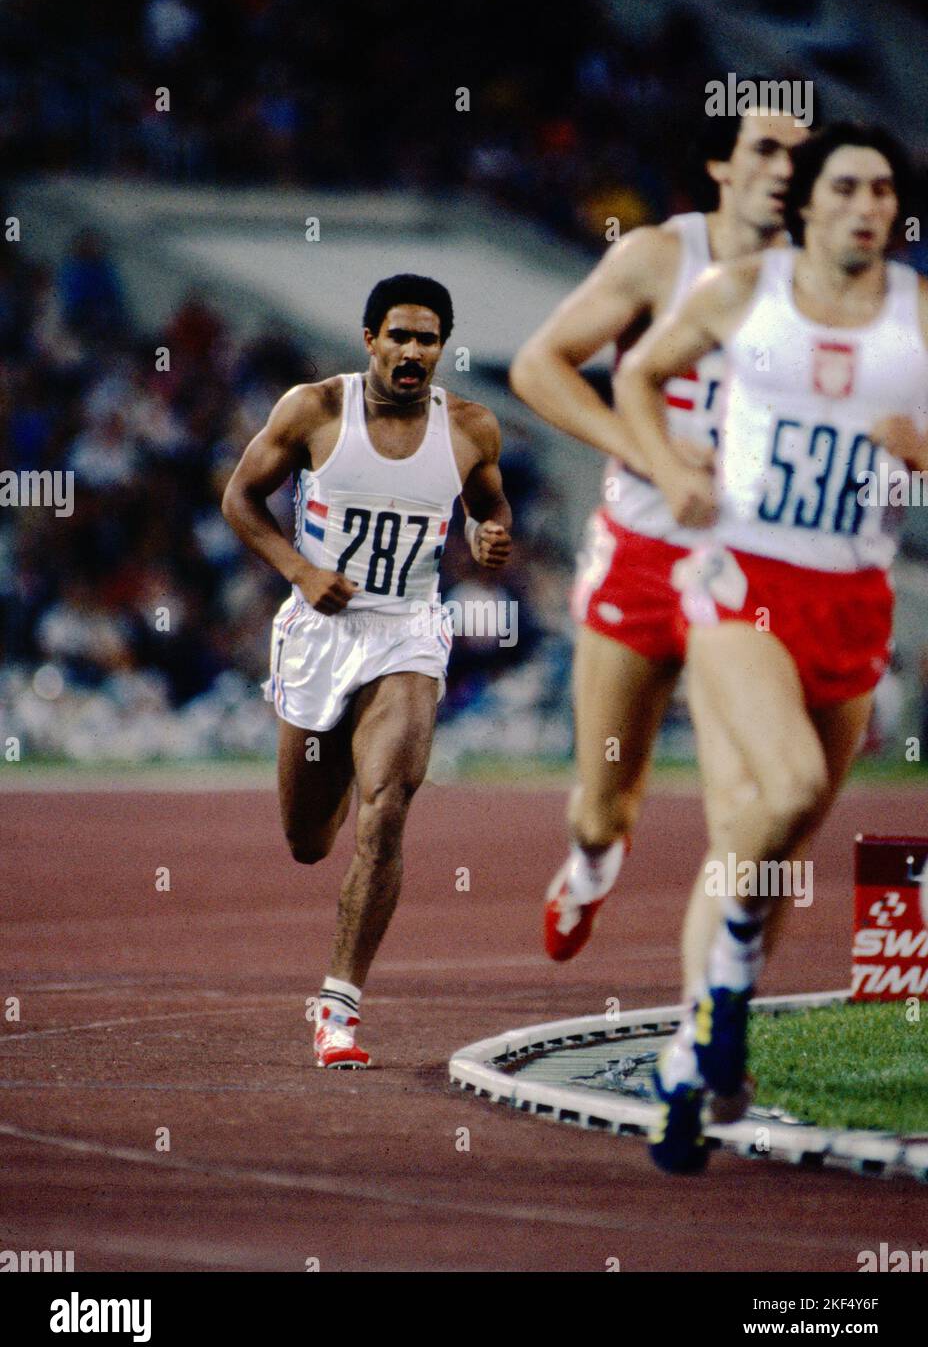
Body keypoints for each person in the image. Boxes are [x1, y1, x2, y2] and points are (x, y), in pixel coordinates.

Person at [617, 122, 928, 1171]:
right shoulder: (740, 290)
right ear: (808, 202)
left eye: (883, 189)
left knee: (767, 841)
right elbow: (635, 377)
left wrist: (920, 454)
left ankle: (688, 1050)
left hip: (852, 602)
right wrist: (666, 464)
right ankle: (729, 999)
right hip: (741, 583)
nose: (867, 205)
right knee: (784, 785)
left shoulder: (917, 316)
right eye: (846, 185)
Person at [510, 105, 808, 969]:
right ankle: (592, 866)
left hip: (751, 564)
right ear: (723, 165)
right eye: (765, 149)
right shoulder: (659, 257)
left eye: (800, 155)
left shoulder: (815, 281)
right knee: (605, 805)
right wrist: (645, 452)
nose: (785, 168)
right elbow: (538, 363)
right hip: (642, 553)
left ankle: (715, 1022)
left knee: (746, 800)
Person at [222, 274, 512, 1068]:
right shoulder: (314, 409)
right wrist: (299, 570)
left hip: (409, 633)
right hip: (319, 635)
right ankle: (345, 750)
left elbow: (492, 508)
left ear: (442, 348)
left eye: (429, 339)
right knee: (308, 841)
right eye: (401, 336)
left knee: (388, 807)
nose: (414, 352)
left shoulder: (472, 428)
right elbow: (240, 499)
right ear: (370, 340)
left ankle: (340, 1006)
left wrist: (491, 538)